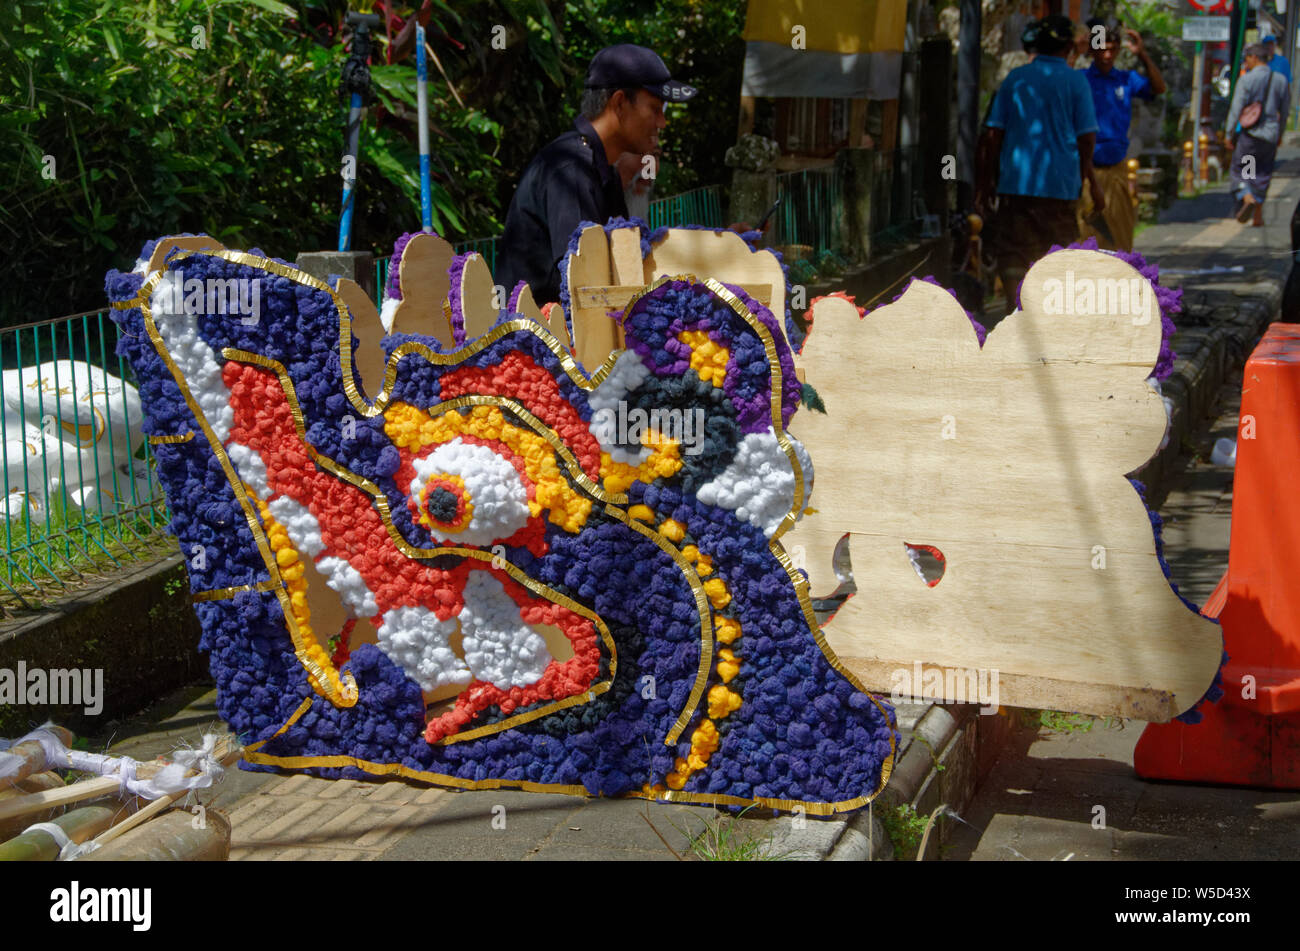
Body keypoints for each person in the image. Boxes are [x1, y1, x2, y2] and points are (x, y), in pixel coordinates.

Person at [497, 44, 695, 305]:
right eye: (655, 109)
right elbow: (582, 285)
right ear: (620, 103)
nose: (662, 122)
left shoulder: (600, 168)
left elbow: (622, 262)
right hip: (536, 340)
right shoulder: (572, 169)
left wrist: (725, 244)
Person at [978, 15, 1101, 303]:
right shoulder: (1076, 82)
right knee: (1057, 255)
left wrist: (985, 183)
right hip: (1060, 186)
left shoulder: (1016, 79)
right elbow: (1087, 138)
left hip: (1015, 184)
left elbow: (992, 136)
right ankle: (1049, 316)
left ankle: (1015, 310)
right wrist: (1084, 179)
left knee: (1013, 252)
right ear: (1069, 47)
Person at [1078, 22, 1166, 251]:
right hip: (1086, 170)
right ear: (1093, 50)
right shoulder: (1080, 79)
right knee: (1085, 235)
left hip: (1116, 168)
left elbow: (1158, 88)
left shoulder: (1126, 79)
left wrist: (1142, 55)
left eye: (1112, 49)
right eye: (1102, 48)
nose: (1107, 55)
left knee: (1119, 235)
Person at [1225, 44, 1290, 227]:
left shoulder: (1247, 80)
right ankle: (1258, 215)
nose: (1246, 62)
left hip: (1250, 136)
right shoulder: (1280, 81)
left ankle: (1246, 196)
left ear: (1254, 57)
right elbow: (1284, 112)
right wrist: (1280, 133)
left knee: (1245, 170)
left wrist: (1229, 133)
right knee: (1262, 173)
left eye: (1247, 58)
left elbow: (1236, 108)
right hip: (1269, 136)